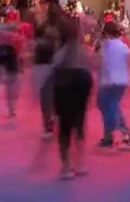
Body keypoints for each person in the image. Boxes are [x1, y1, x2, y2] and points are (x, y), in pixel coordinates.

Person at [51, 14, 94, 180]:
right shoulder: (76, 45)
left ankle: (69, 163)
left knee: (68, 123)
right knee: (77, 122)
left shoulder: (67, 46)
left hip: (68, 81)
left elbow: (56, 62)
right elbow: (88, 62)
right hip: (78, 79)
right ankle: (76, 160)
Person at [95, 20, 130, 150]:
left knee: (110, 108)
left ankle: (123, 135)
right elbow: (128, 61)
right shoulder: (123, 46)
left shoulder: (106, 46)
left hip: (109, 80)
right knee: (111, 106)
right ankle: (110, 135)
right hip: (122, 80)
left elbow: (99, 61)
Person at [31, 3, 63, 139]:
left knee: (47, 96)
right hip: (51, 64)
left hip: (47, 64)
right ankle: (50, 122)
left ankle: (49, 123)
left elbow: (36, 44)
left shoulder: (48, 28)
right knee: (51, 96)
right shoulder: (56, 28)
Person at [0, 8, 28, 118]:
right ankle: (12, 107)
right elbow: (23, 42)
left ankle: (11, 107)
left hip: (7, 56)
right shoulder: (19, 28)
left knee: (11, 82)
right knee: (13, 82)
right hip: (13, 56)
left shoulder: (2, 29)